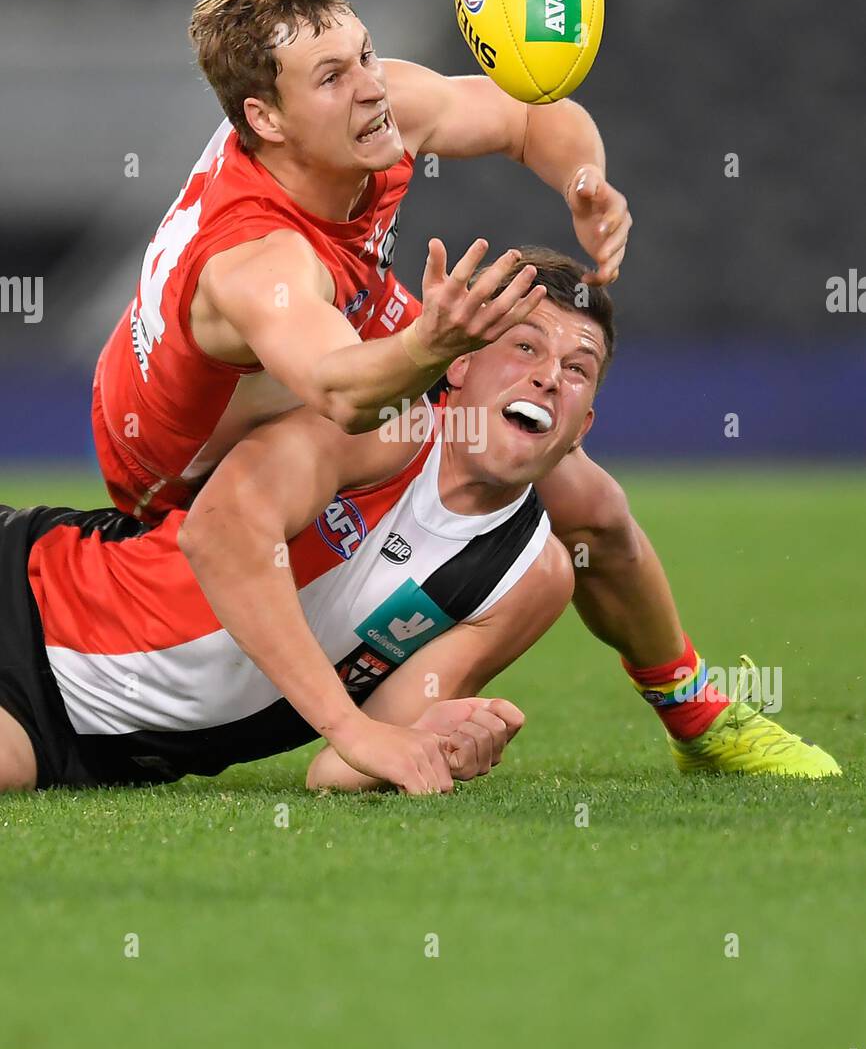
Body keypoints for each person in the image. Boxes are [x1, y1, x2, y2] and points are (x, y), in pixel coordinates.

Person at [91, 0, 837, 779]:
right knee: (531, 513)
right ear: (265, 119)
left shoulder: (371, 115)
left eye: (366, 54)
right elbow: (343, 390)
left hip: (343, 338)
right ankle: (368, 734)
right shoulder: (259, 262)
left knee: (588, 502)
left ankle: (697, 719)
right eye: (333, 76)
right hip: (180, 461)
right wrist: (430, 347)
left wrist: (582, 180)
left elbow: (529, 116)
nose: (372, 85)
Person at [0, 268, 621, 794]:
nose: (547, 377)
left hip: (86, 743)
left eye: (577, 368)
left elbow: (340, 769)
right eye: (525, 347)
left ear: (583, 425)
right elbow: (218, 532)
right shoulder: (383, 425)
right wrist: (347, 727)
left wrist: (434, 743)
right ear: (458, 367)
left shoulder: (529, 577)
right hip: (28, 593)